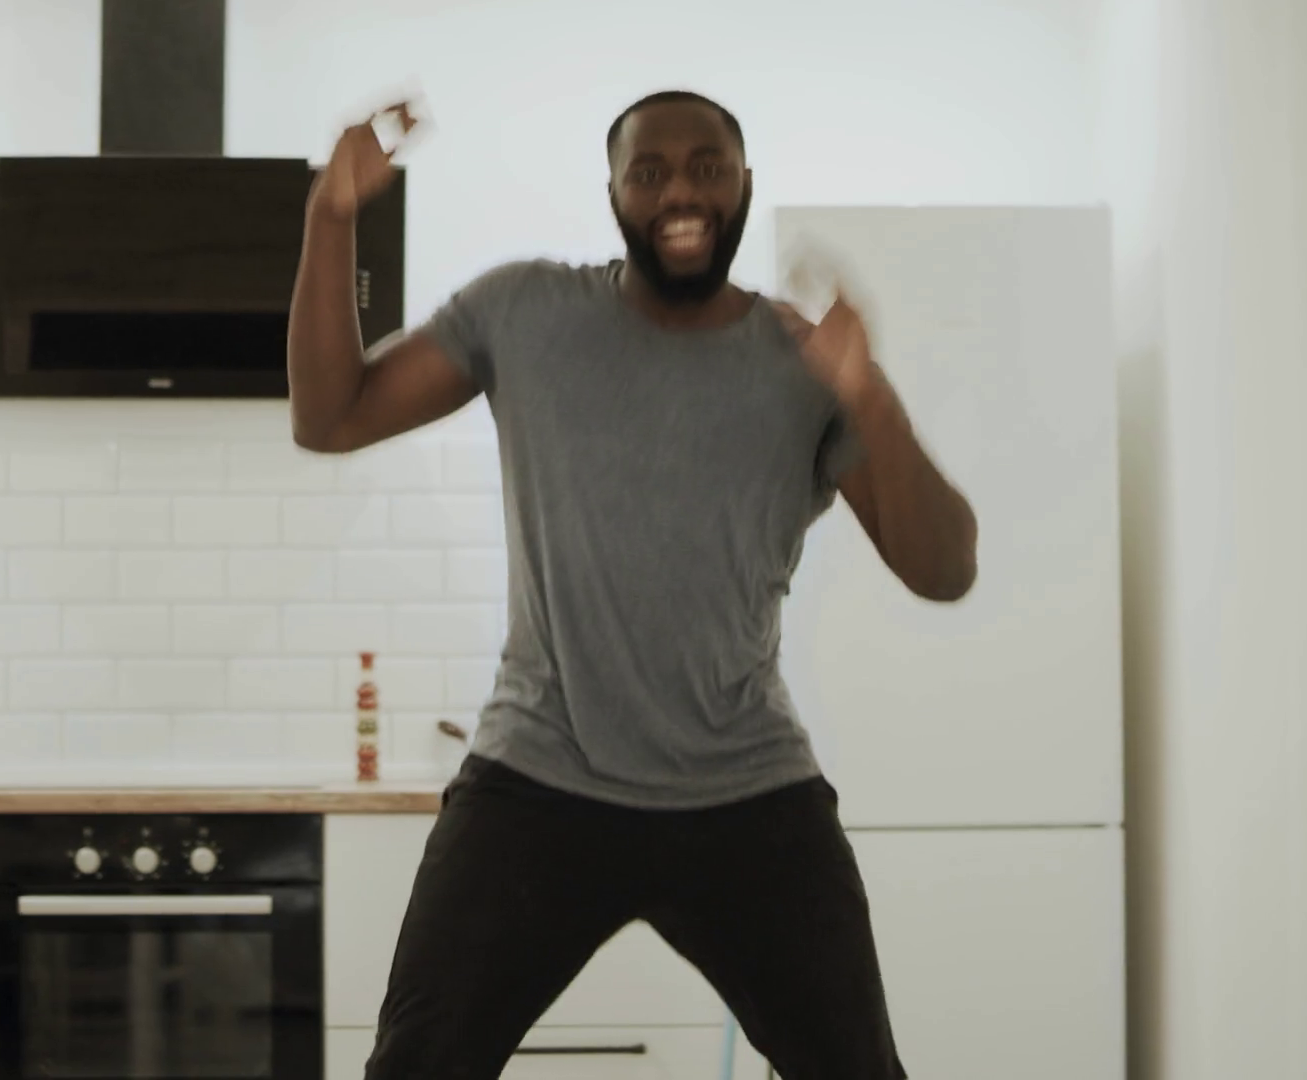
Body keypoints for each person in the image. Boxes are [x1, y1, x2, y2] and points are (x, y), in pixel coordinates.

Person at [288, 89, 978, 1080]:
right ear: (613, 193)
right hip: (537, 784)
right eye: (649, 171)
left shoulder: (805, 363)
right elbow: (330, 417)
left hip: (746, 791)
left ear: (745, 186)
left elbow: (945, 570)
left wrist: (869, 396)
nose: (679, 191)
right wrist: (331, 215)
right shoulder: (522, 311)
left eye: (707, 166)